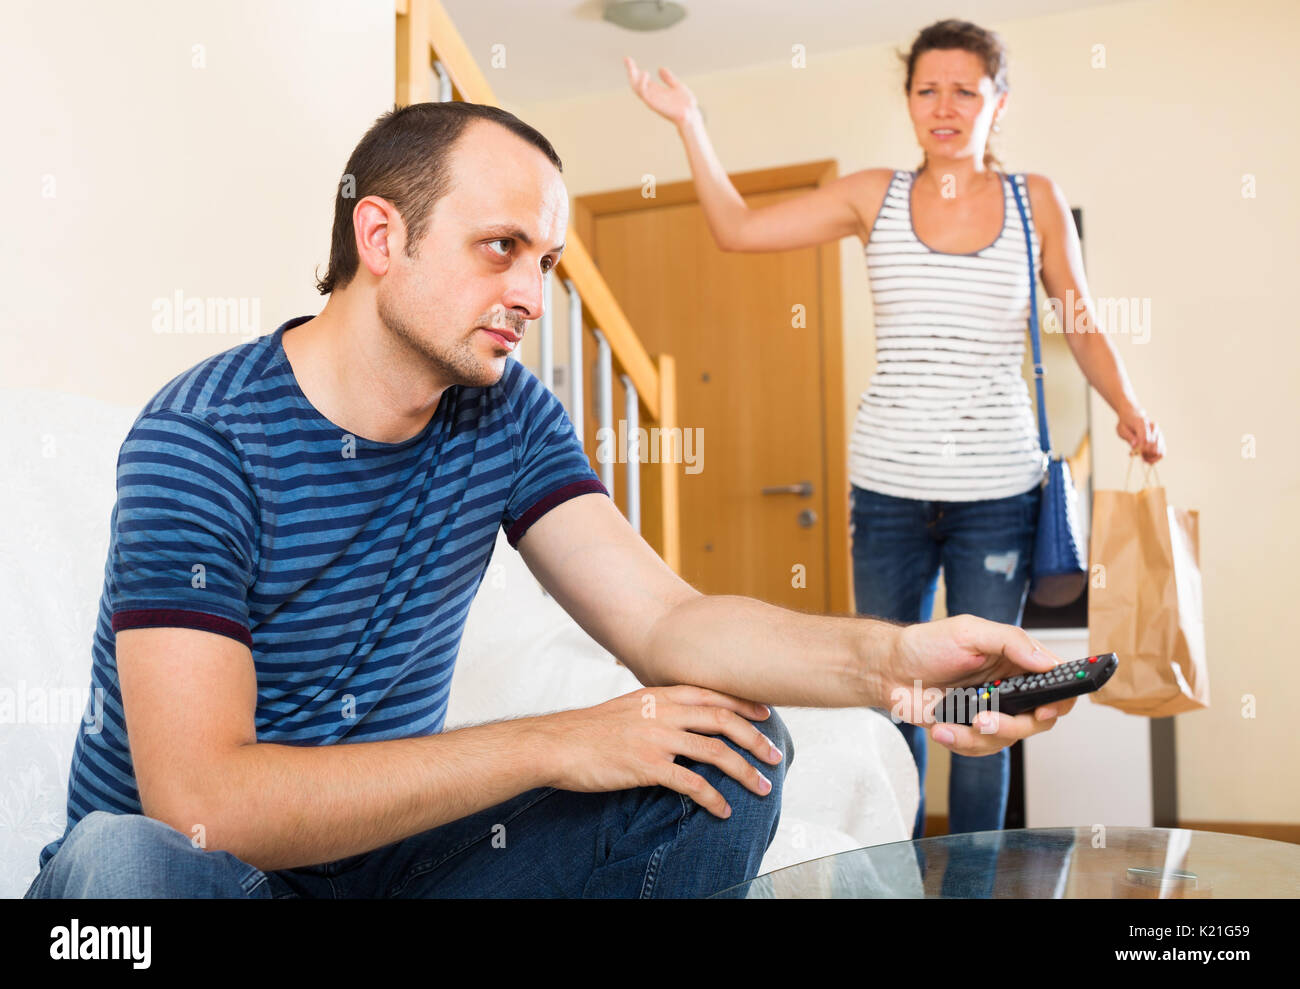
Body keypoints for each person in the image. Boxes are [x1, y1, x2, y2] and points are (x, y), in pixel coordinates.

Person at [27, 100, 1075, 901]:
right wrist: (553, 741)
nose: (531, 294)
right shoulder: (203, 438)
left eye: (547, 261)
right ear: (381, 237)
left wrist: (893, 664)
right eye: (502, 248)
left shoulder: (504, 410)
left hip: (387, 870)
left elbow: (664, 622)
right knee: (120, 861)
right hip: (205, 879)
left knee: (728, 755)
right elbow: (202, 803)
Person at [625, 18, 1165, 839]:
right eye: (926, 90)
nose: (944, 107)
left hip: (999, 494)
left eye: (965, 91)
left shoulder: (1036, 202)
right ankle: (895, 871)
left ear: (998, 102)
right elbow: (736, 230)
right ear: (909, 100)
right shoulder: (871, 194)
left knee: (982, 709)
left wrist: (1127, 407)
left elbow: (1082, 323)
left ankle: (974, 882)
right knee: (896, 697)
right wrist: (690, 123)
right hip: (886, 495)